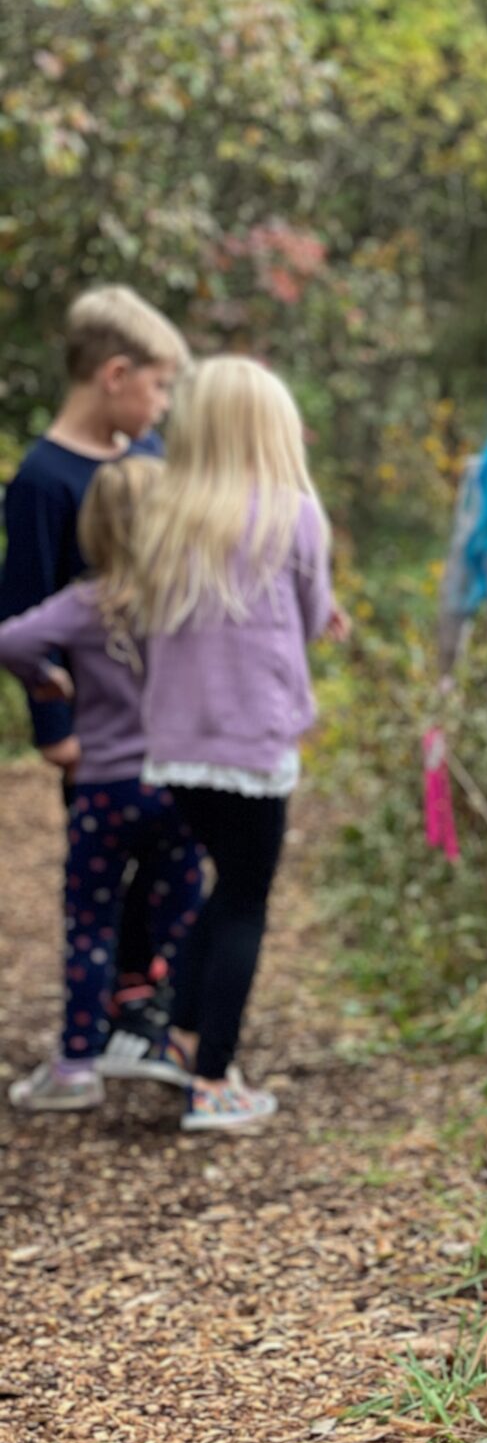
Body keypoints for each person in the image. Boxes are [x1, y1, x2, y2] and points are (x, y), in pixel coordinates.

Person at [133, 355, 347, 1132]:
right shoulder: (293, 515)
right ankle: (215, 1081)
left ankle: (183, 1038)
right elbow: (314, 605)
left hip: (179, 748)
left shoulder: (163, 515)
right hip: (253, 746)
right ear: (271, 431)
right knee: (246, 899)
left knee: (224, 886)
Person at [0, 284, 190, 1053]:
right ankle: (108, 1011)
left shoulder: (150, 459)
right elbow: (22, 613)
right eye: (158, 385)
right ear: (115, 375)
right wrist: (53, 719)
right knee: (102, 878)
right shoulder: (43, 481)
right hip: (97, 736)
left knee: (172, 864)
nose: (164, 403)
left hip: (172, 726)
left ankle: (140, 1005)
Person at [0, 458, 204, 1111]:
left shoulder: (83, 604)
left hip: (104, 789)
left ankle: (77, 1065)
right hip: (179, 788)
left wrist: (49, 682)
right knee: (181, 922)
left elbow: (12, 641)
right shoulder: (192, 601)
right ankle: (178, 1046)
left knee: (90, 923)